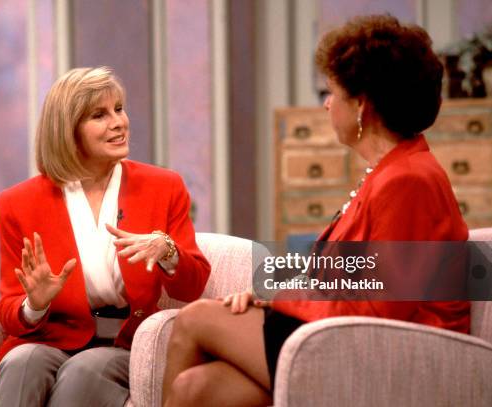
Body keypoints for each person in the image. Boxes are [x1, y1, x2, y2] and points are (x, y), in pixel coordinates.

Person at [162, 14, 470, 406]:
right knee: (196, 389)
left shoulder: (409, 180)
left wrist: (279, 297)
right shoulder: (391, 172)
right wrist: (271, 295)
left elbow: (381, 302)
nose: (326, 105)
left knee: (194, 319)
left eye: (332, 92)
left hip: (397, 353)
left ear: (361, 105)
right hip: (350, 335)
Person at [0, 66, 211, 407]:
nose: (119, 122)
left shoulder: (164, 187)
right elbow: (8, 309)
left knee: (85, 369)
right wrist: (36, 303)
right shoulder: (18, 203)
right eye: (99, 115)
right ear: (68, 130)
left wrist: (168, 251)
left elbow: (191, 287)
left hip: (126, 344)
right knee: (22, 363)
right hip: (52, 339)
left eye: (119, 109)